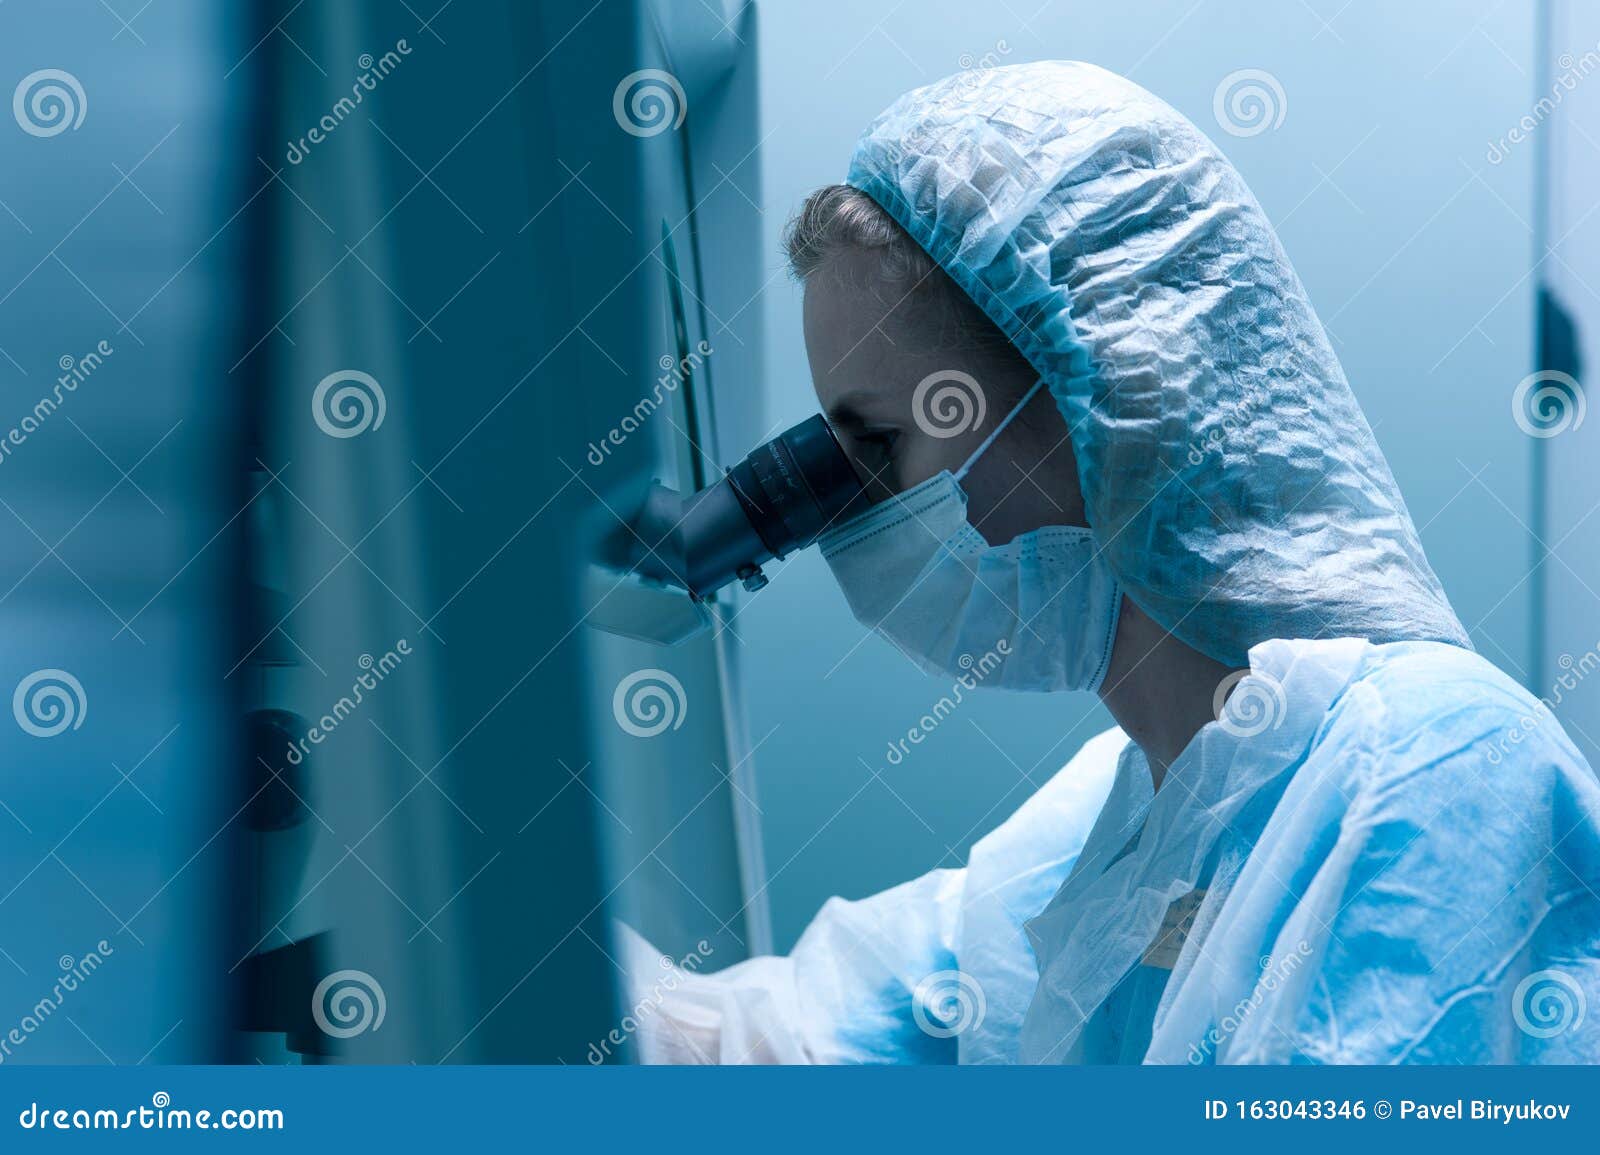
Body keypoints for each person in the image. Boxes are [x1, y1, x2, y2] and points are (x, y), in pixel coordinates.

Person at [617, 60, 1600, 1064]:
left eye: (876, 445)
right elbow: (754, 1050)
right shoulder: (1115, 837)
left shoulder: (1435, 766)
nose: (857, 523)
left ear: (1115, 405)